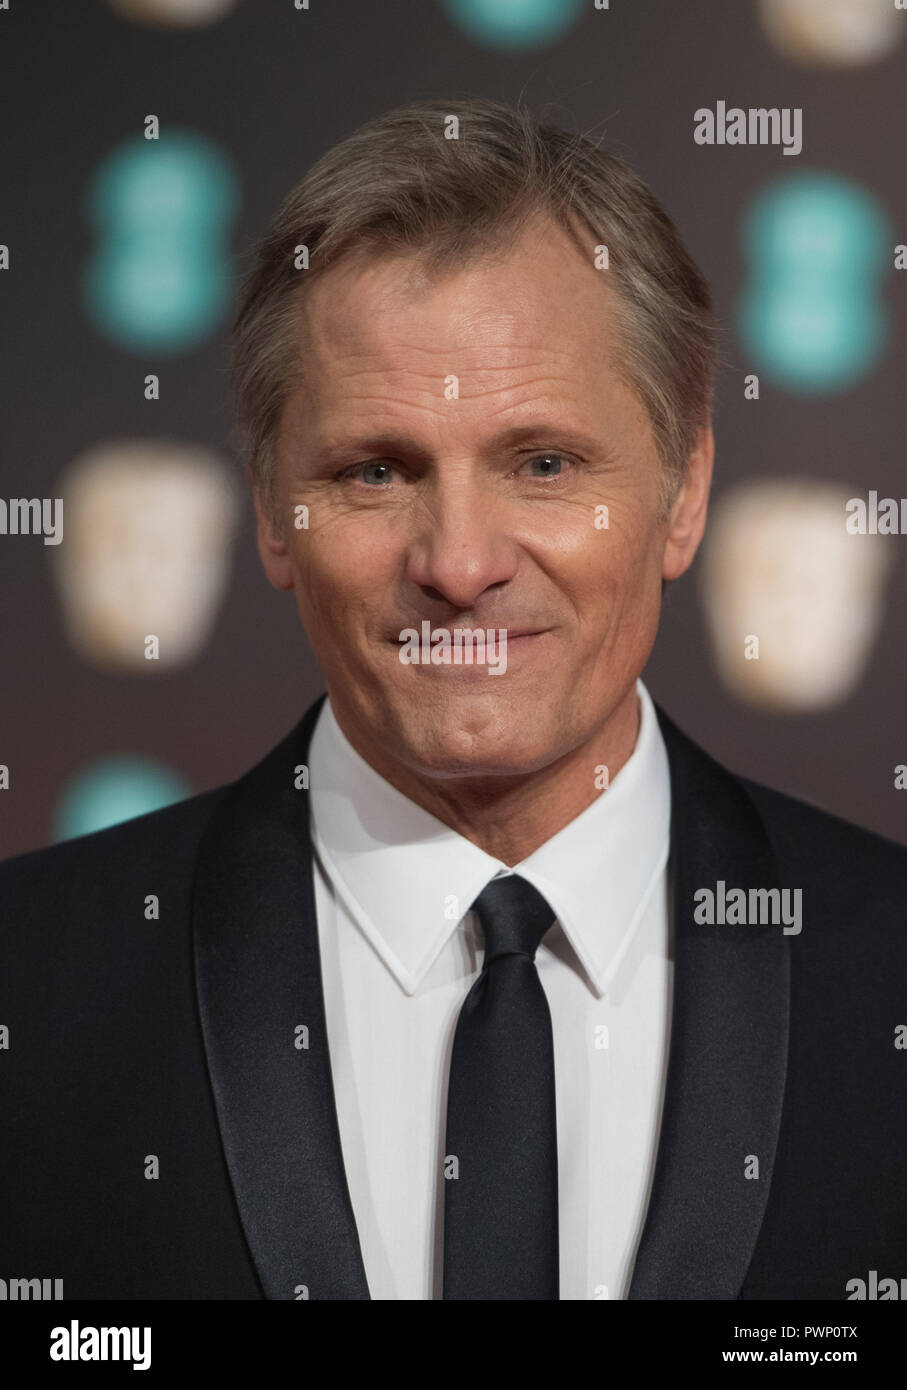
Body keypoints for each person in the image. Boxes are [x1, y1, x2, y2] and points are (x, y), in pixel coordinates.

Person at [1, 98, 905, 1302]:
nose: (460, 562)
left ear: (684, 488)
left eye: (542, 464)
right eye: (375, 470)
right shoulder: (32, 981)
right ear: (273, 508)